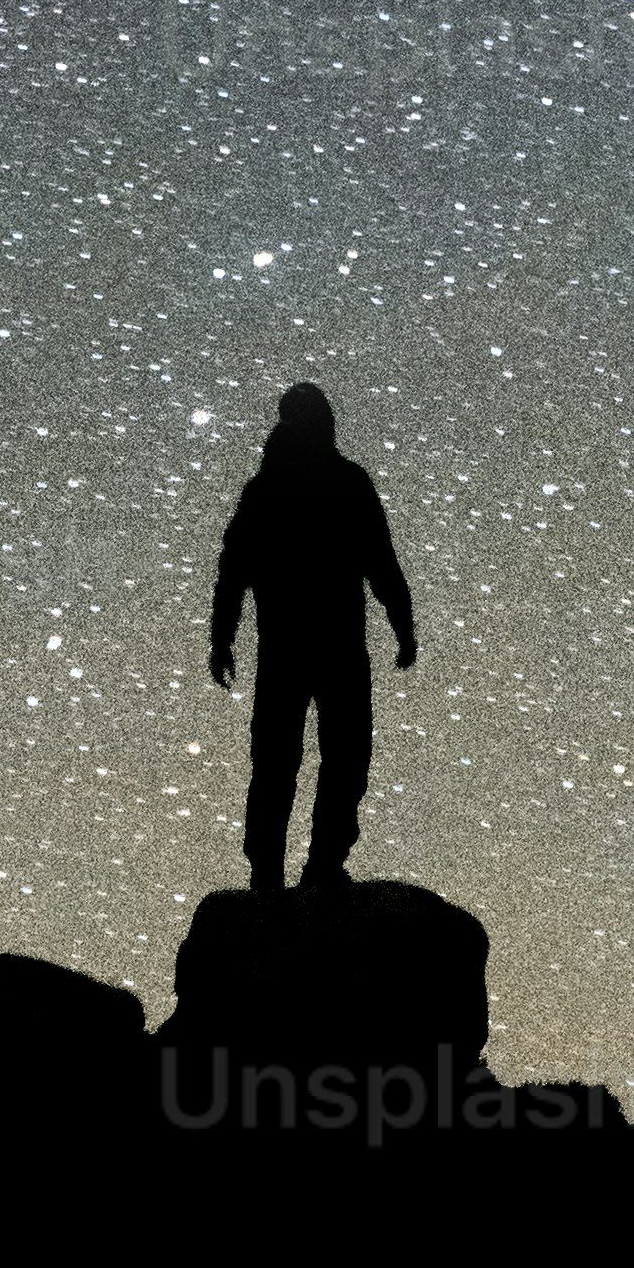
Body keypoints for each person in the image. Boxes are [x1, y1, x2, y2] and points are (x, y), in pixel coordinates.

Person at [207, 379, 417, 893]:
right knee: (332, 756)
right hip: (332, 647)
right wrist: (403, 624)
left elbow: (234, 568)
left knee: (287, 760)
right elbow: (380, 561)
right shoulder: (343, 484)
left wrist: (222, 636)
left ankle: (281, 871)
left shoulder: (268, 490)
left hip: (291, 648)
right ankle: (311, 867)